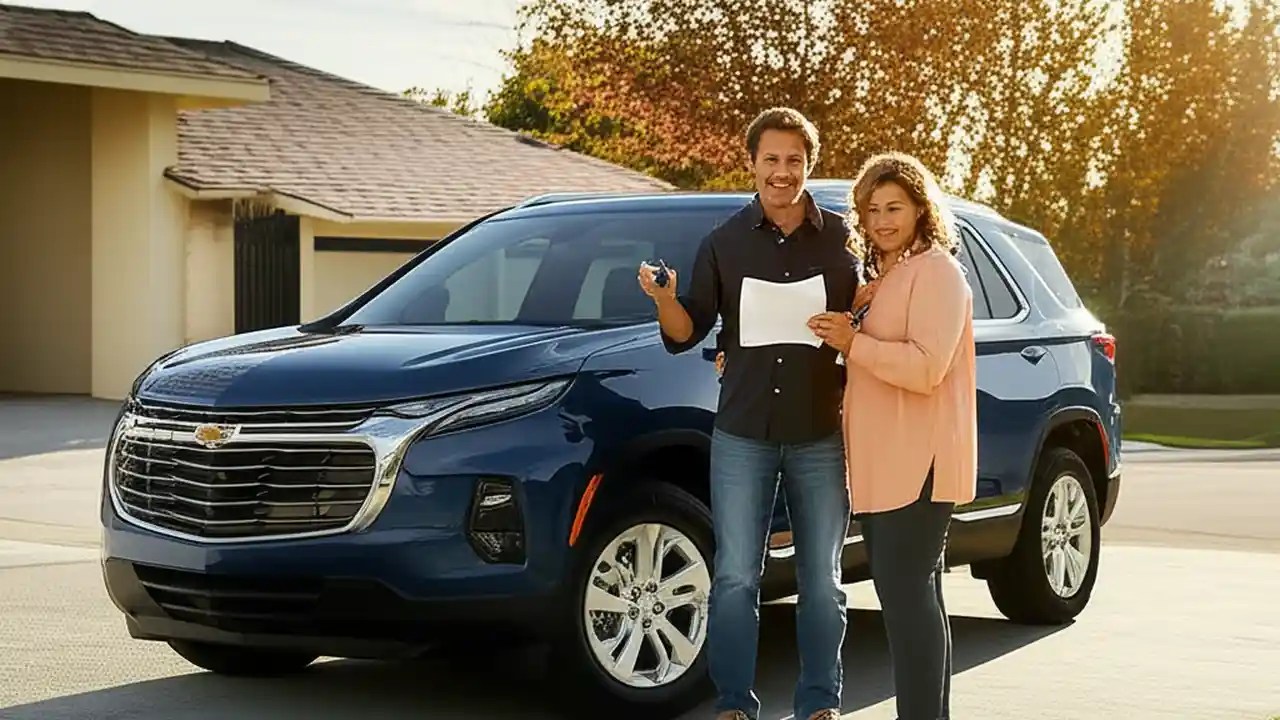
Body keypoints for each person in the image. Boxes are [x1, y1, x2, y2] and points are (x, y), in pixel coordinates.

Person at [637, 107, 859, 720]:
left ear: (809, 165)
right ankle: (734, 703)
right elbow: (687, 332)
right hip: (743, 434)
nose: (782, 172)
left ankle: (819, 705)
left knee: (822, 580)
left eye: (794, 160)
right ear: (753, 164)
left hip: (819, 432)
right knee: (735, 577)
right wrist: (662, 299)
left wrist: (852, 327)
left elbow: (869, 315)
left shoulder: (845, 239)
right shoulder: (723, 243)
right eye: (771, 160)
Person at [807, 151, 978, 720]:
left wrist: (853, 343)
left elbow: (927, 368)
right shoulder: (885, 279)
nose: (882, 219)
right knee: (916, 602)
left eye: (894, 207)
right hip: (886, 466)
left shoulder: (937, 272)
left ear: (920, 210)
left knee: (908, 605)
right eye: (872, 208)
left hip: (920, 465)